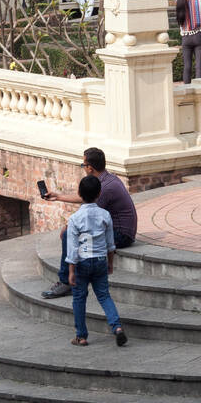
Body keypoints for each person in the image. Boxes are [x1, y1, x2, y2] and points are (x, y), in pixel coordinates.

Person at [40, 148, 138, 298]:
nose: (83, 168)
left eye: (83, 165)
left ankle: (66, 281)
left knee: (68, 235)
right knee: (71, 233)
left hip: (121, 235)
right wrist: (58, 196)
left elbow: (89, 215)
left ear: (90, 168)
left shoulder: (105, 188)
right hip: (118, 229)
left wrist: (68, 227)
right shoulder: (106, 180)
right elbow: (86, 200)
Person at [65, 175, 128, 348]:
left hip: (82, 262)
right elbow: (110, 244)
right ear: (99, 193)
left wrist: (70, 271)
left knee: (79, 297)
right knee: (104, 295)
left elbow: (72, 248)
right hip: (100, 259)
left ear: (79, 193)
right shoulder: (105, 215)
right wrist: (110, 263)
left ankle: (81, 336)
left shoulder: (74, 219)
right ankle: (117, 327)